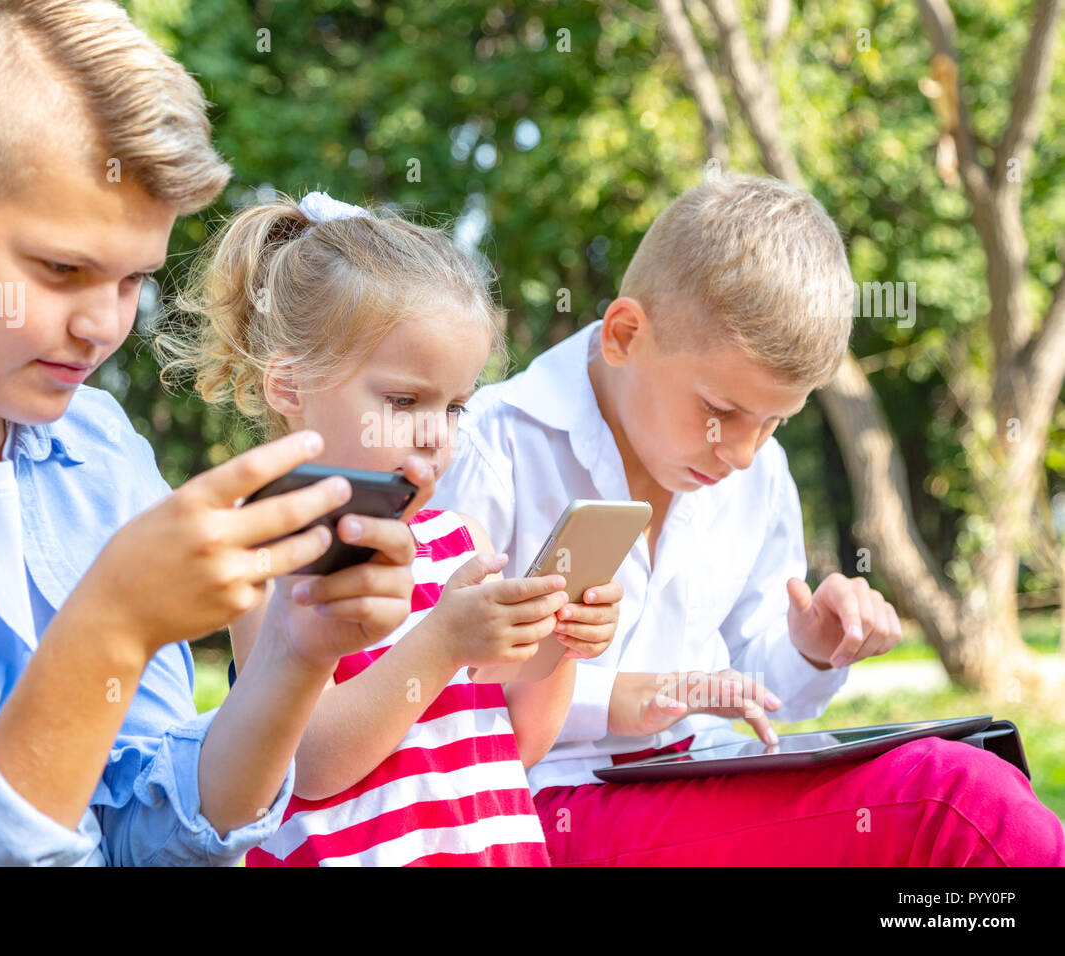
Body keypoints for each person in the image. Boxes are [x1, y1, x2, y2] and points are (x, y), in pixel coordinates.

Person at [0, 0, 426, 866]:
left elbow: (145, 833)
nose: (102, 327)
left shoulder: (99, 442)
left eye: (132, 280)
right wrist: (112, 626)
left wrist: (295, 658)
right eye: (61, 269)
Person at [429, 173, 1065, 865]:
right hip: (539, 803)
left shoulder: (760, 471)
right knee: (958, 801)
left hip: (701, 774)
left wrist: (809, 647)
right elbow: (429, 685)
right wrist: (632, 697)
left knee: (975, 778)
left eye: (774, 422)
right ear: (625, 334)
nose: (740, 453)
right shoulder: (490, 447)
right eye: (720, 412)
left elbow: (759, 689)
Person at [154, 190, 625, 865]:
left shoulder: (462, 543)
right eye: (404, 401)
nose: (436, 434)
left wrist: (559, 646)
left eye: (455, 406)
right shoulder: (272, 548)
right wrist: (443, 643)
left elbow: (515, 744)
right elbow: (311, 763)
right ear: (289, 386)